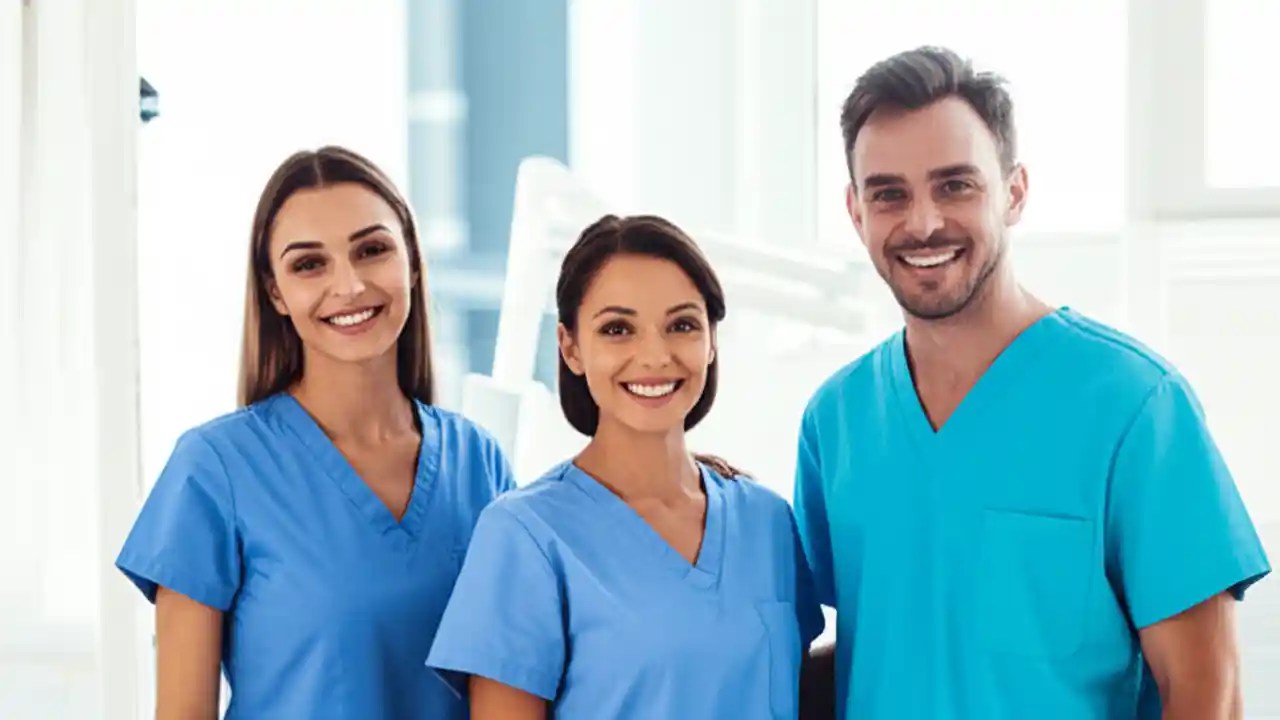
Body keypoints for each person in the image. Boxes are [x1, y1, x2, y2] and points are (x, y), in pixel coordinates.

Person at [793, 46, 1272, 719]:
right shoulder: (835, 421)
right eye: (889, 194)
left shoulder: (1134, 406)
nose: (923, 222)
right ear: (855, 210)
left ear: (1014, 192)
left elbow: (1206, 697)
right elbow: (871, 649)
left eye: (955, 185)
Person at [115, 145, 515, 719]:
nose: (349, 286)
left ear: (412, 262)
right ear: (276, 291)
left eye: (372, 250)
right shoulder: (215, 469)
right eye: (310, 264)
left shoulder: (479, 463)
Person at [426, 214, 825, 719]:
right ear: (570, 347)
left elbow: (797, 688)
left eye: (681, 325)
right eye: (618, 329)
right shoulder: (525, 537)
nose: (654, 356)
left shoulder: (766, 520)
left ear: (712, 340)